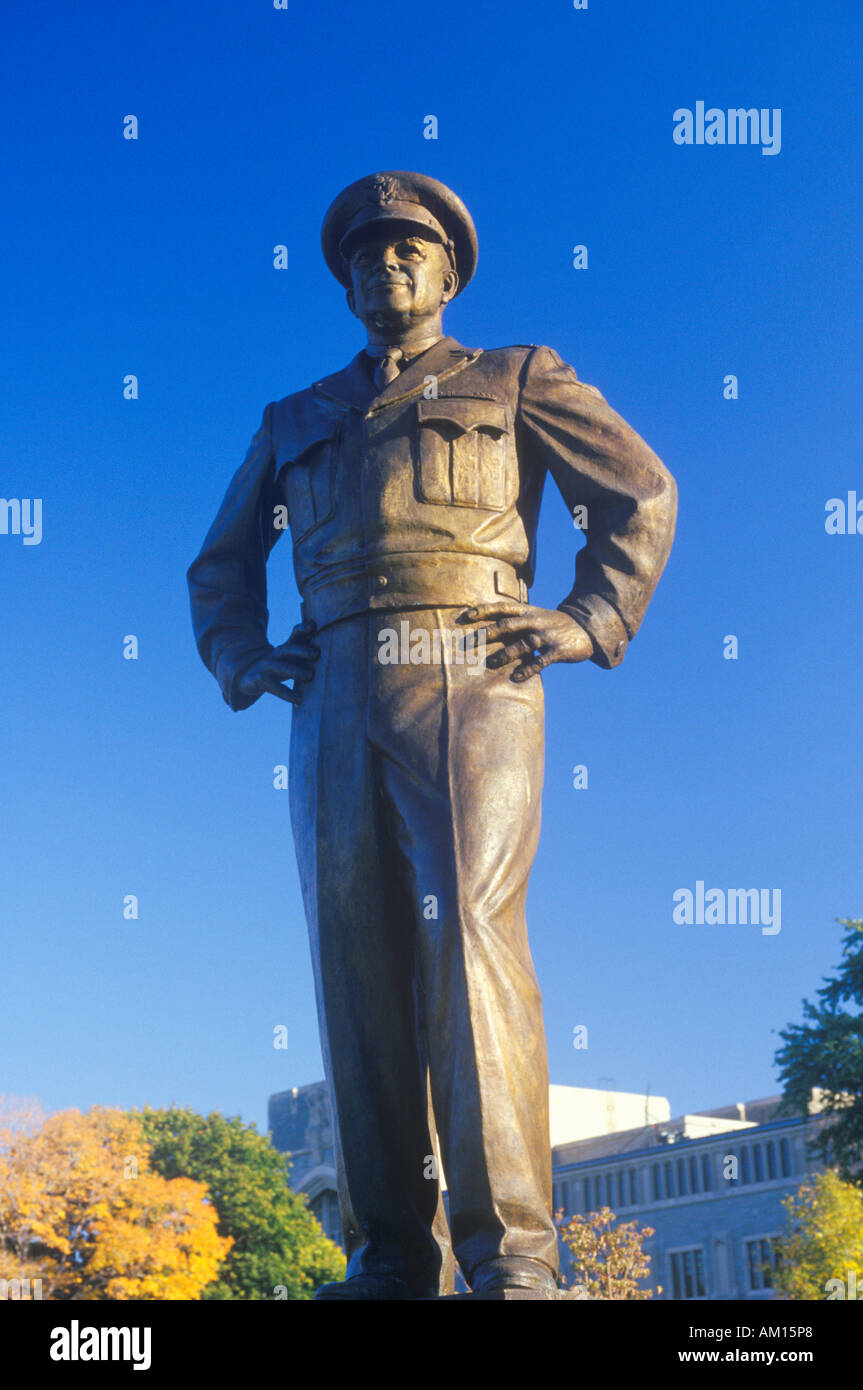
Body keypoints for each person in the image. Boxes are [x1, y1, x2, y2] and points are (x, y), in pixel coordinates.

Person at [187, 171, 677, 1300]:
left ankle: (510, 1255)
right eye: (365, 256)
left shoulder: (514, 376)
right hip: (331, 686)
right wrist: (241, 657)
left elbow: (638, 492)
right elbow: (220, 566)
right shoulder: (294, 418)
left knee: (467, 932)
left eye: (408, 251)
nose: (385, 267)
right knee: (352, 958)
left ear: (447, 273)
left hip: (473, 666)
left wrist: (588, 616)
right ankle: (390, 1256)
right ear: (346, 281)